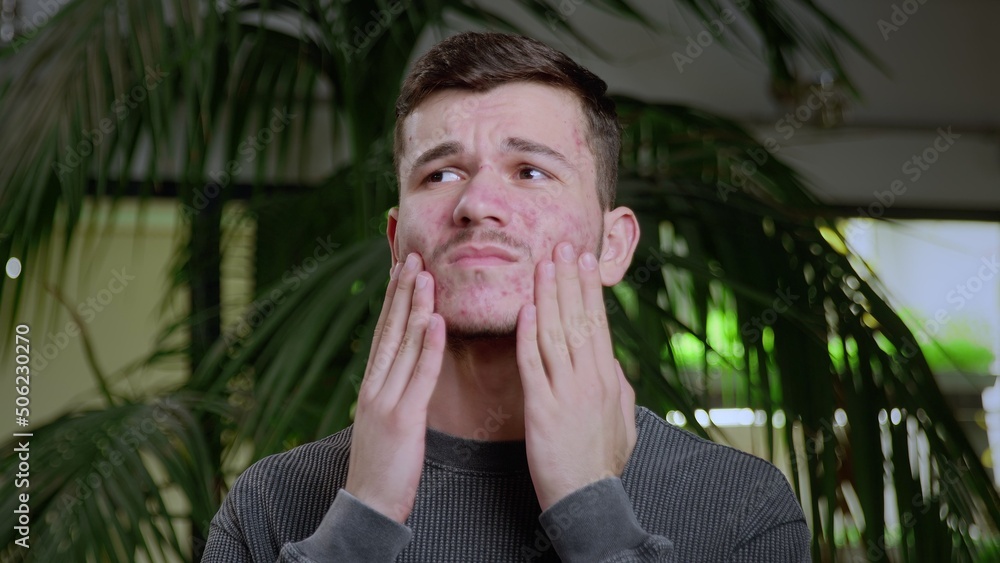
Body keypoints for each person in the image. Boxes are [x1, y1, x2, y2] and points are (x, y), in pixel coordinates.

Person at [203, 31, 810, 562]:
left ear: (613, 245)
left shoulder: (741, 507)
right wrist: (362, 520)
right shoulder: (271, 505)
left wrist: (593, 516)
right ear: (396, 241)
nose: (476, 205)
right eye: (440, 174)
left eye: (530, 171)